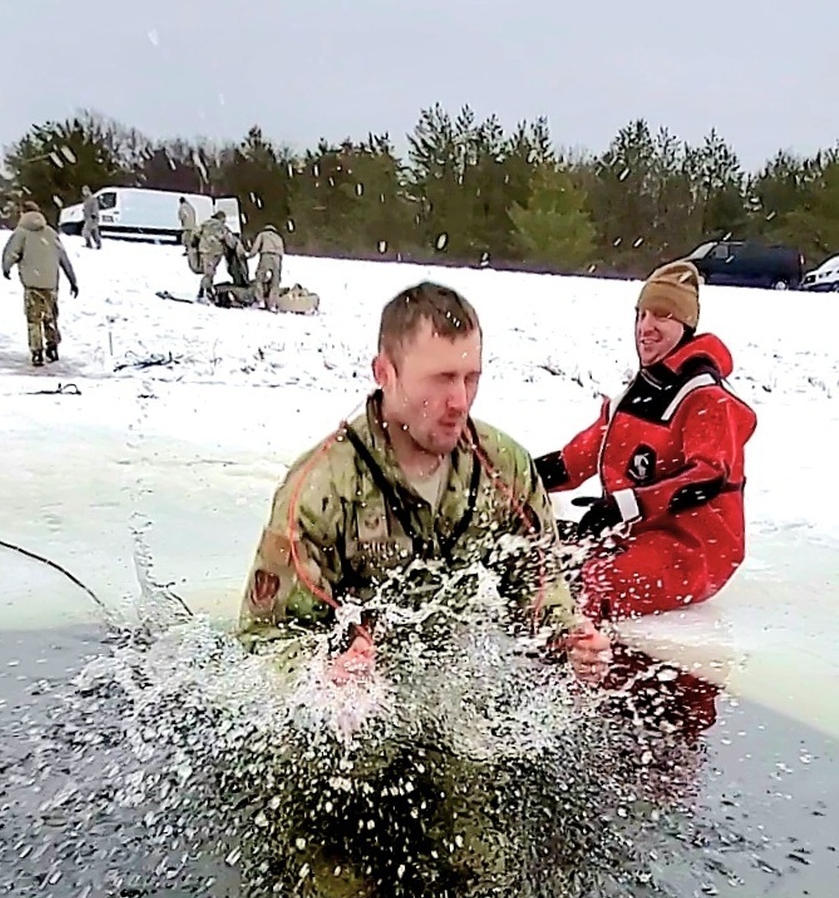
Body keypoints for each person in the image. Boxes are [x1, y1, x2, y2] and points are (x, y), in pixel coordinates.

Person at [239, 281, 610, 684]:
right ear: (385, 373)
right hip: (353, 713)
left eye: (470, 378)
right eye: (441, 378)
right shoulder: (322, 489)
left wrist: (570, 639)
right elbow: (266, 638)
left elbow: (539, 588)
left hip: (448, 695)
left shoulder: (504, 469)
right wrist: (322, 675)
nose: (460, 402)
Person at [535, 260, 757, 622]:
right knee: (536, 556)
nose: (645, 327)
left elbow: (706, 478)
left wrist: (623, 506)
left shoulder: (707, 399)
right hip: (637, 534)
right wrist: (509, 473)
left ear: (686, 326)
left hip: (694, 551)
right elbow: (574, 462)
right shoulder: (636, 396)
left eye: (662, 316)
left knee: (582, 584)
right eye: (641, 315)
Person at [2, 199, 78, 367]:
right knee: (50, 317)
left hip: (32, 284)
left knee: (34, 319)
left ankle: (37, 352)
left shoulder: (21, 232)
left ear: (23, 212)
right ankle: (52, 347)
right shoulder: (50, 233)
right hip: (51, 283)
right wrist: (73, 280)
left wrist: (6, 268)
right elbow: (63, 258)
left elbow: (11, 253)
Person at [248, 223, 285, 310]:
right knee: (275, 281)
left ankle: (259, 300)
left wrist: (249, 256)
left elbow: (255, 248)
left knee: (260, 278)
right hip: (277, 258)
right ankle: (272, 303)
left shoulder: (262, 234)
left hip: (266, 256)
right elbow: (282, 251)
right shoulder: (278, 237)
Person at [197, 212, 229, 302]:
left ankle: (207, 290)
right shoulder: (221, 226)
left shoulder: (205, 223)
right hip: (215, 252)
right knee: (210, 273)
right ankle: (203, 292)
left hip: (204, 250)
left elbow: (195, 233)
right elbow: (225, 237)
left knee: (209, 272)